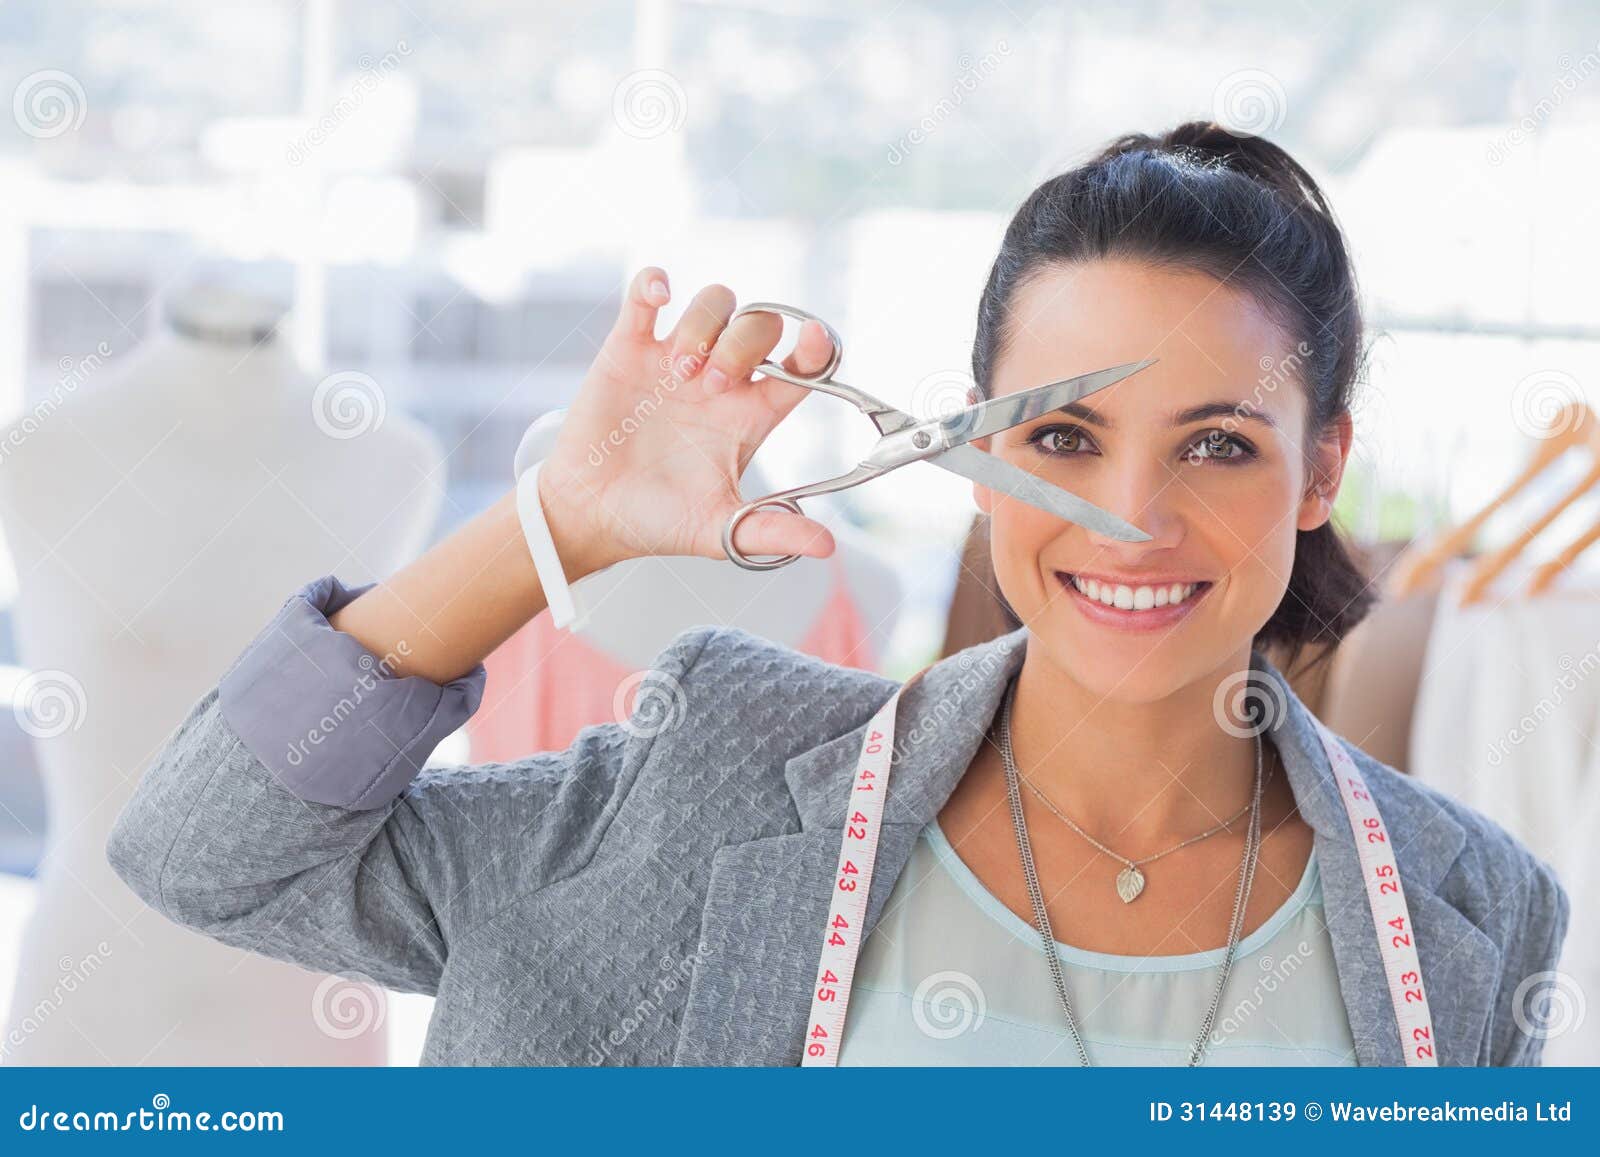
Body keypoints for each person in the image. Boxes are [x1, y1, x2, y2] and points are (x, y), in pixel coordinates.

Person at [107, 121, 1568, 1066]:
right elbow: (215, 855)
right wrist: (551, 525)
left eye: (1219, 444)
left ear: (1323, 470)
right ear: (979, 451)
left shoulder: (1473, 909)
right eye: (1064, 435)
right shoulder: (718, 780)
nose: (1131, 518)